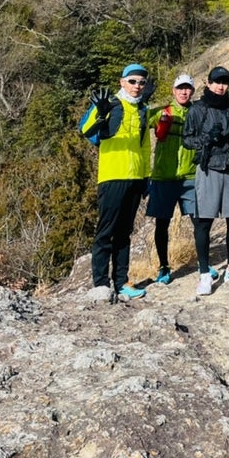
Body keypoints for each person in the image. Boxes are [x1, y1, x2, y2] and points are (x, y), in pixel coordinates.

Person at [81, 62, 154, 301]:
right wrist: (100, 113)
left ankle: (121, 282)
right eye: (132, 81)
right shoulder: (110, 103)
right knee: (106, 231)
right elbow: (86, 130)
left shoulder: (143, 109)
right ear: (122, 82)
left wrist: (146, 177)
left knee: (124, 233)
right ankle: (101, 284)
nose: (137, 86)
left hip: (135, 178)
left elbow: (144, 147)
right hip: (112, 176)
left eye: (141, 82)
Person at [182, 66, 229, 294]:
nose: (221, 86)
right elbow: (186, 140)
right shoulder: (198, 109)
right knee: (204, 222)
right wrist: (206, 139)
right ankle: (204, 273)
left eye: (225, 82)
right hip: (209, 167)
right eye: (217, 82)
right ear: (209, 83)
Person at [145, 73, 219, 285]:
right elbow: (141, 119)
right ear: (173, 90)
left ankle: (202, 263)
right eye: (180, 88)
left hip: (191, 175)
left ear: (193, 91)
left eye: (188, 88)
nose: (184, 92)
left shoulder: (198, 112)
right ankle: (164, 266)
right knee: (162, 224)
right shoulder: (161, 112)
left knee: (199, 221)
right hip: (163, 176)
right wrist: (144, 100)